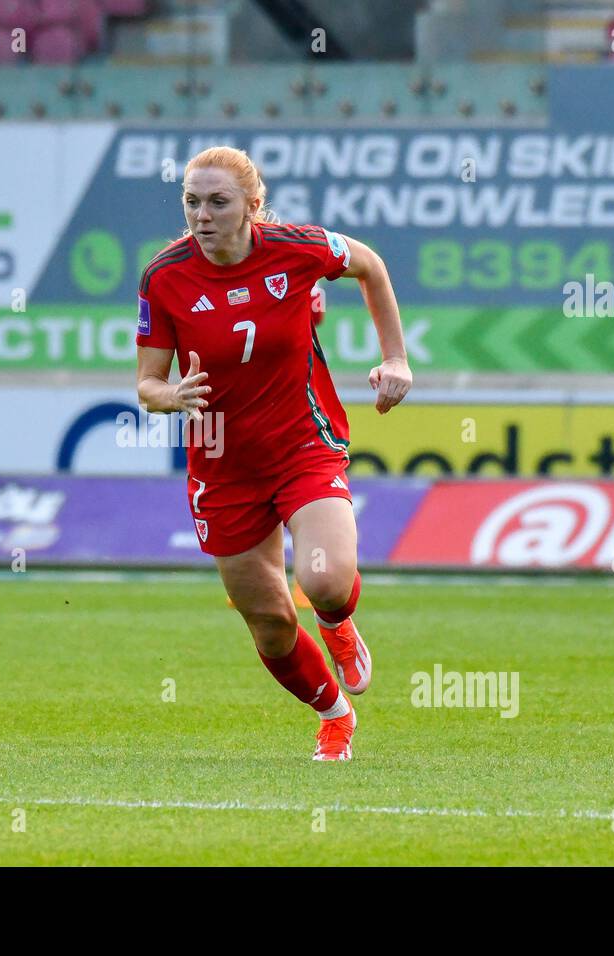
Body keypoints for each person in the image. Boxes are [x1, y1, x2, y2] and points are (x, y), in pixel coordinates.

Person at [135, 146, 412, 761]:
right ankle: (333, 716)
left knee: (326, 580)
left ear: (252, 206)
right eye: (191, 202)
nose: (201, 216)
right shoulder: (164, 276)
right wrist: (170, 394)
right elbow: (147, 383)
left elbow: (370, 265)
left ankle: (339, 624)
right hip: (220, 461)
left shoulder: (296, 247)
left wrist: (395, 357)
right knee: (271, 623)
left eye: (217, 202)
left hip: (301, 445)